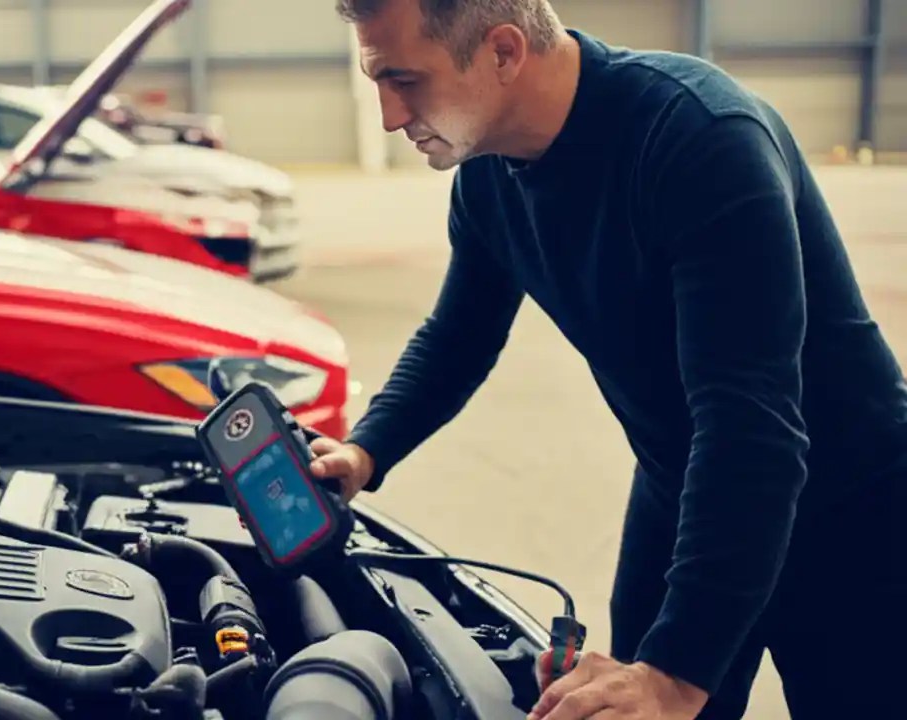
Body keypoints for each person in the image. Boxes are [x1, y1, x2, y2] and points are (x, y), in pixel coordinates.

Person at [309, 1, 907, 718]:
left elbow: (751, 425)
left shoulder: (700, 140)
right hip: (681, 483)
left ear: (502, 52)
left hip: (849, 516)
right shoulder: (488, 177)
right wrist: (366, 451)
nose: (388, 115)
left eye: (405, 80)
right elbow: (457, 335)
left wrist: (675, 676)